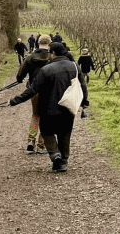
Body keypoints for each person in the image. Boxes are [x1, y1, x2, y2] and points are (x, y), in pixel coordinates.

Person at [8, 43, 89, 172]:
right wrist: (84, 103)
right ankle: (63, 160)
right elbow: (83, 85)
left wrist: (15, 101)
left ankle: (52, 152)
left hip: (47, 107)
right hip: (68, 107)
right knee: (65, 133)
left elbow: (32, 89)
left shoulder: (45, 69)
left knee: (44, 129)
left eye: (50, 52)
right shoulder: (74, 66)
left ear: (53, 53)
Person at [15, 34, 51, 153]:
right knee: (46, 117)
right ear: (49, 44)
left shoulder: (30, 57)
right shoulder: (52, 57)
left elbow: (20, 75)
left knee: (35, 115)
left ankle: (31, 141)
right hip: (49, 91)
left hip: (34, 91)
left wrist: (20, 80)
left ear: (38, 43)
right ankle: (41, 145)